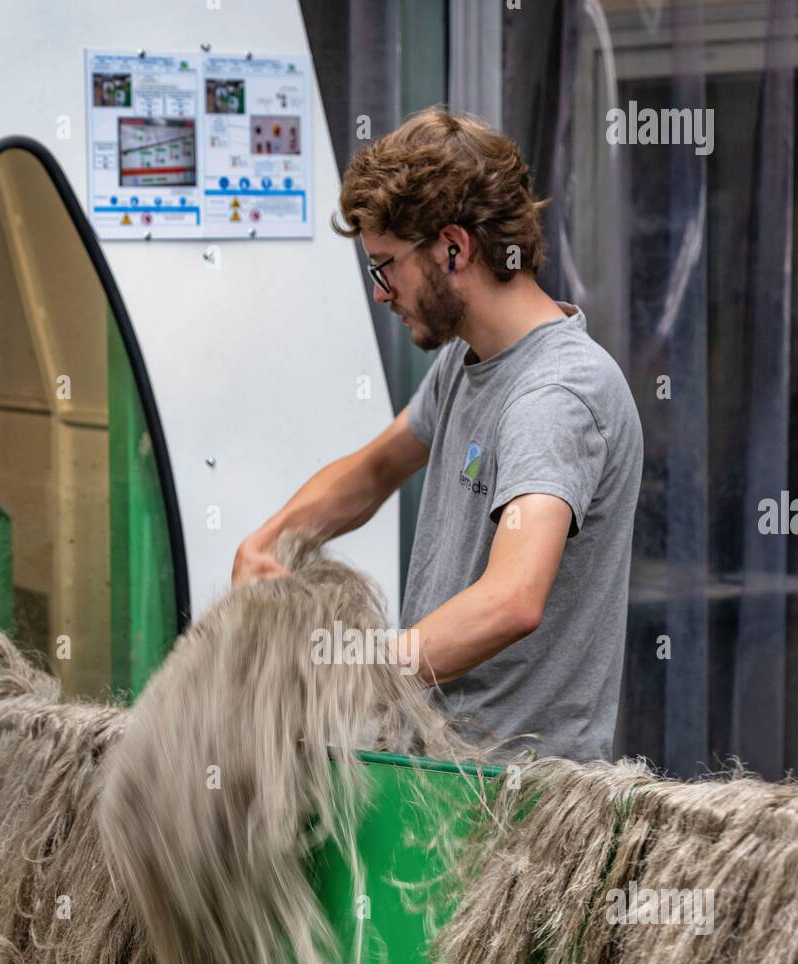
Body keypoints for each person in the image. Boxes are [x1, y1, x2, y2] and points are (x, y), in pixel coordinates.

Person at [233, 108, 643, 760]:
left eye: (386, 265)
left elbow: (513, 599)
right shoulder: (469, 360)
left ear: (454, 247)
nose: (380, 292)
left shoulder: (556, 397)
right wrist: (271, 540)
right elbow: (374, 470)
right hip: (437, 772)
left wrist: (358, 676)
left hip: (511, 802)